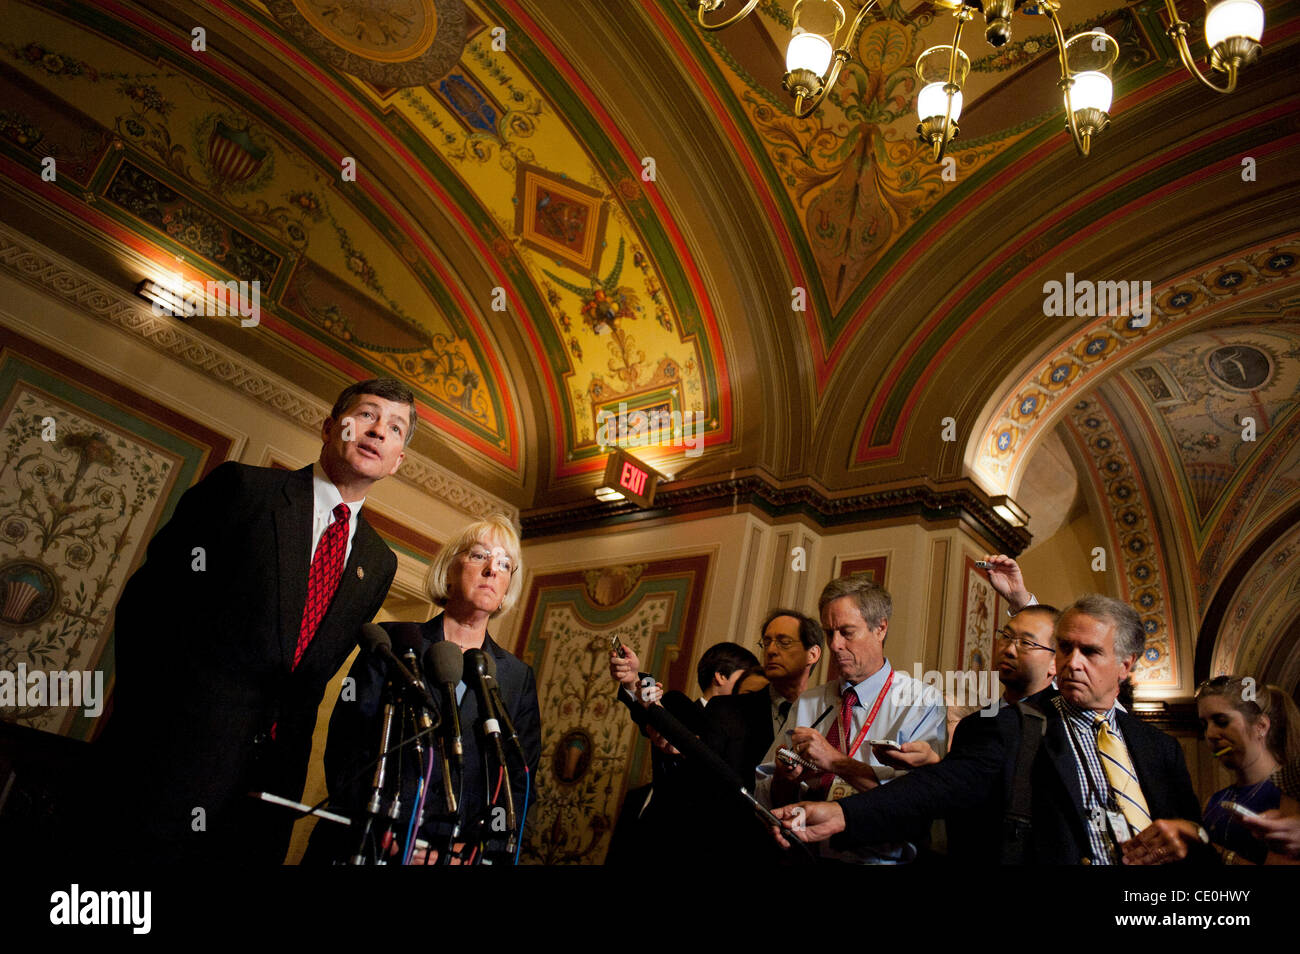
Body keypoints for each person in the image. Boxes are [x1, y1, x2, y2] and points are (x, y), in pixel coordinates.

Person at [107, 378, 414, 863]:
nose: (379, 430)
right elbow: (147, 609)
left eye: (395, 427)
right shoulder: (243, 490)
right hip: (165, 769)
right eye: (367, 414)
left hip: (266, 799)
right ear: (330, 426)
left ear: (397, 461)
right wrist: (143, 734)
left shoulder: (378, 563)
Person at [772, 595, 1213, 866]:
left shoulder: (1159, 748)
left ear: (1125, 664)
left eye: (1091, 652)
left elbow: (1193, 829)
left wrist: (1194, 835)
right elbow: (936, 787)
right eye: (1065, 648)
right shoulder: (1013, 727)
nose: (1073, 663)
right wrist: (843, 814)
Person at [308, 514, 541, 864]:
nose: (492, 570)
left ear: (508, 587)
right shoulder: (390, 642)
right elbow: (347, 745)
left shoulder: (517, 679)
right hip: (367, 845)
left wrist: (471, 852)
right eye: (479, 555)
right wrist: (383, 830)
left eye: (505, 564)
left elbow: (520, 784)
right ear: (449, 571)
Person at [757, 576, 946, 864]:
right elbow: (766, 794)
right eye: (828, 632)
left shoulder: (920, 702)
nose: (834, 645)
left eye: (846, 632)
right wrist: (784, 777)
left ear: (880, 628)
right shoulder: (810, 701)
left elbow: (918, 803)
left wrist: (835, 762)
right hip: (803, 856)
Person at [1186, 676, 1300, 865]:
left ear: (1261, 726)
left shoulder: (1289, 795)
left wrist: (1219, 853)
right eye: (1205, 725)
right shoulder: (1214, 800)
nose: (1210, 734)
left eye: (1222, 721)